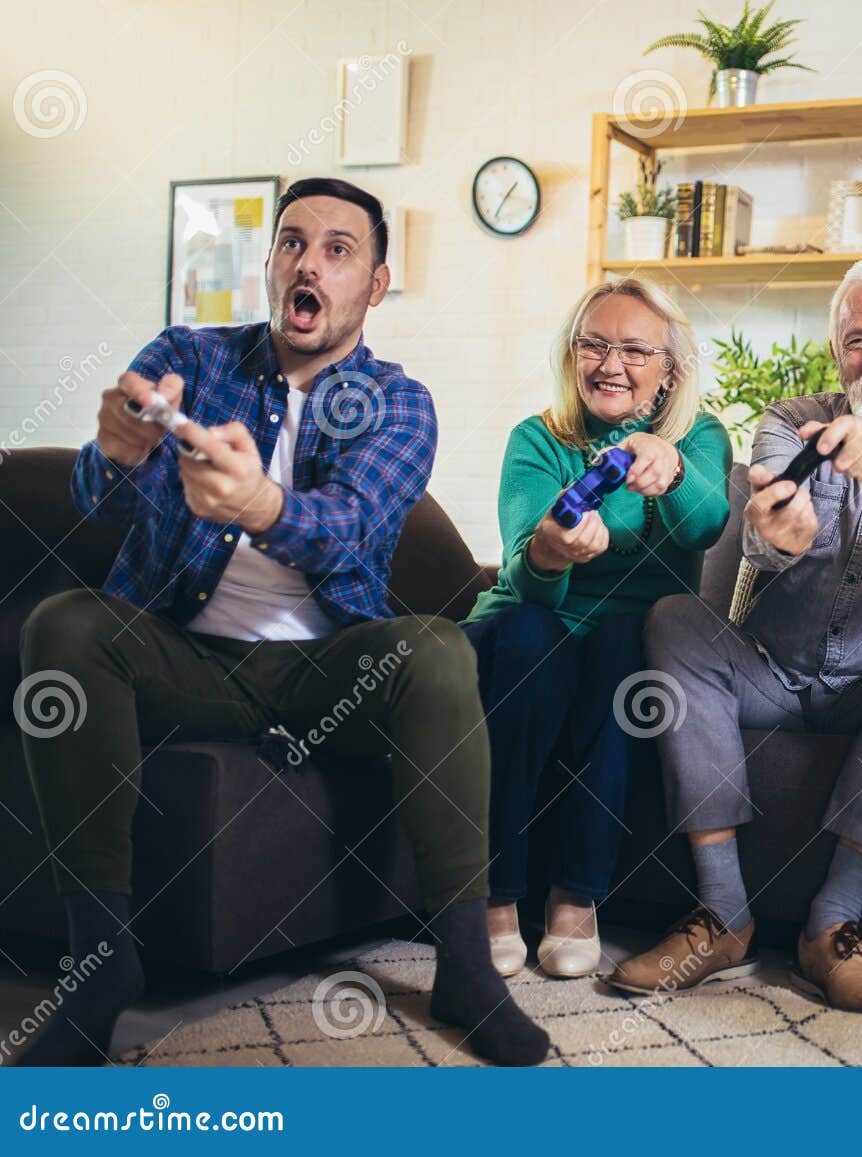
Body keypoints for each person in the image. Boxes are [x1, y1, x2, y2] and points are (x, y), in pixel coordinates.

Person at [15, 178, 547, 1067]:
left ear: (375, 285)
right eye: (293, 243)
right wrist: (114, 453)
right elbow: (95, 502)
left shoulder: (400, 403)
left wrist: (262, 503)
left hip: (323, 670)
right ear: (270, 264)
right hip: (180, 653)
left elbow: (353, 530)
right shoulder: (192, 352)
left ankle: (464, 963)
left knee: (437, 647)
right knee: (64, 624)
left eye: (339, 249)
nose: (310, 262)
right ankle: (101, 963)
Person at [606, 257, 862, 1013]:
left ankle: (833, 925)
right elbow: (762, 525)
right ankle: (723, 914)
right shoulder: (789, 419)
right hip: (770, 671)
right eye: (858, 340)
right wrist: (774, 532)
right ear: (835, 348)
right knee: (675, 620)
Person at [461, 279, 731, 979]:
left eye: (636, 349)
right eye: (594, 344)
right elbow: (522, 574)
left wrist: (668, 469)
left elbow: (707, 525)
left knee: (624, 641)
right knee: (529, 635)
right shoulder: (539, 439)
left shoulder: (699, 437)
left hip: (624, 644)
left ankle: (575, 900)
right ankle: (494, 900)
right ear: (572, 355)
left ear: (670, 368)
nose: (611, 364)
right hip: (530, 629)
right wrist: (550, 551)